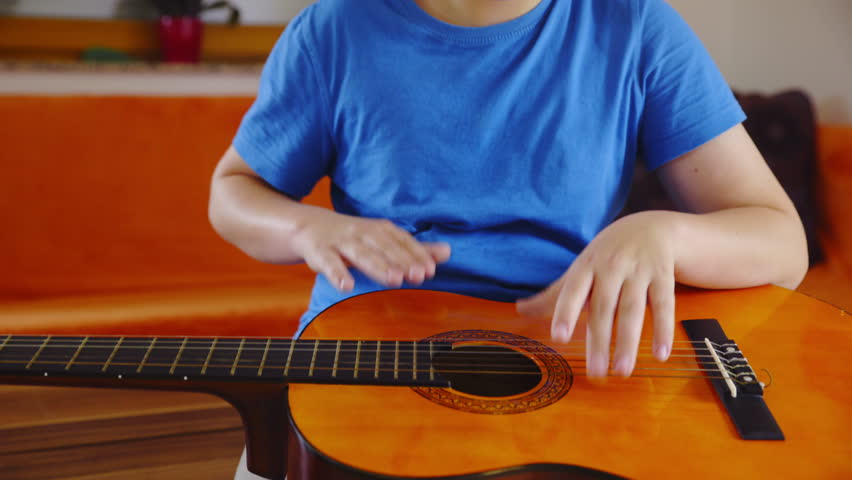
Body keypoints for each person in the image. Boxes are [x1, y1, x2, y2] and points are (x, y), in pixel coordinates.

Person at [208, 1, 808, 478]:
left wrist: (664, 232)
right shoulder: (335, 28)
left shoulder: (635, 25)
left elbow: (783, 245)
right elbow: (232, 193)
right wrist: (305, 225)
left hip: (565, 369)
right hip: (362, 366)